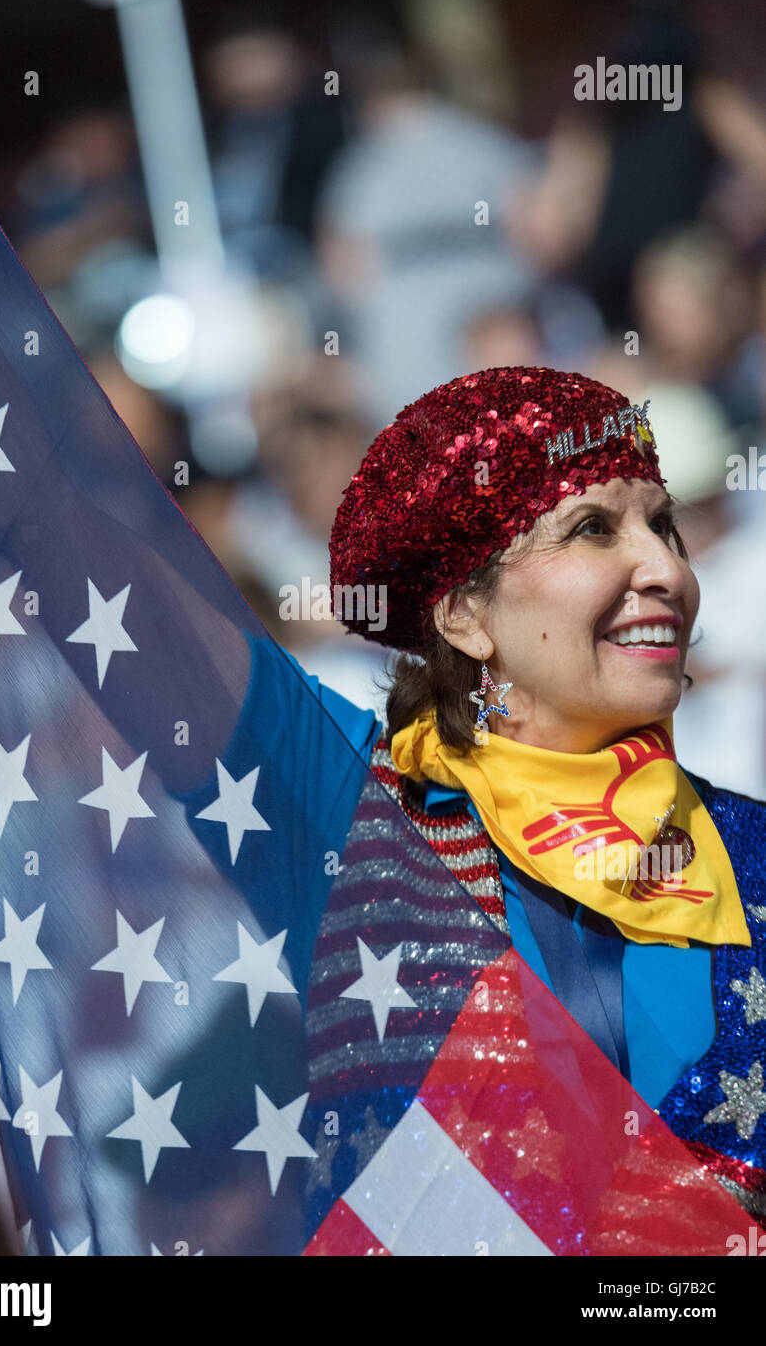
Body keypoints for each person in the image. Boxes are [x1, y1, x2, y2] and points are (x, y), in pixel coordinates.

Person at [239, 365, 765, 1230]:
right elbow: (119, 594)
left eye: (664, 525)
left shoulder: (752, 850)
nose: (665, 566)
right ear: (464, 617)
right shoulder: (358, 816)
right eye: (592, 529)